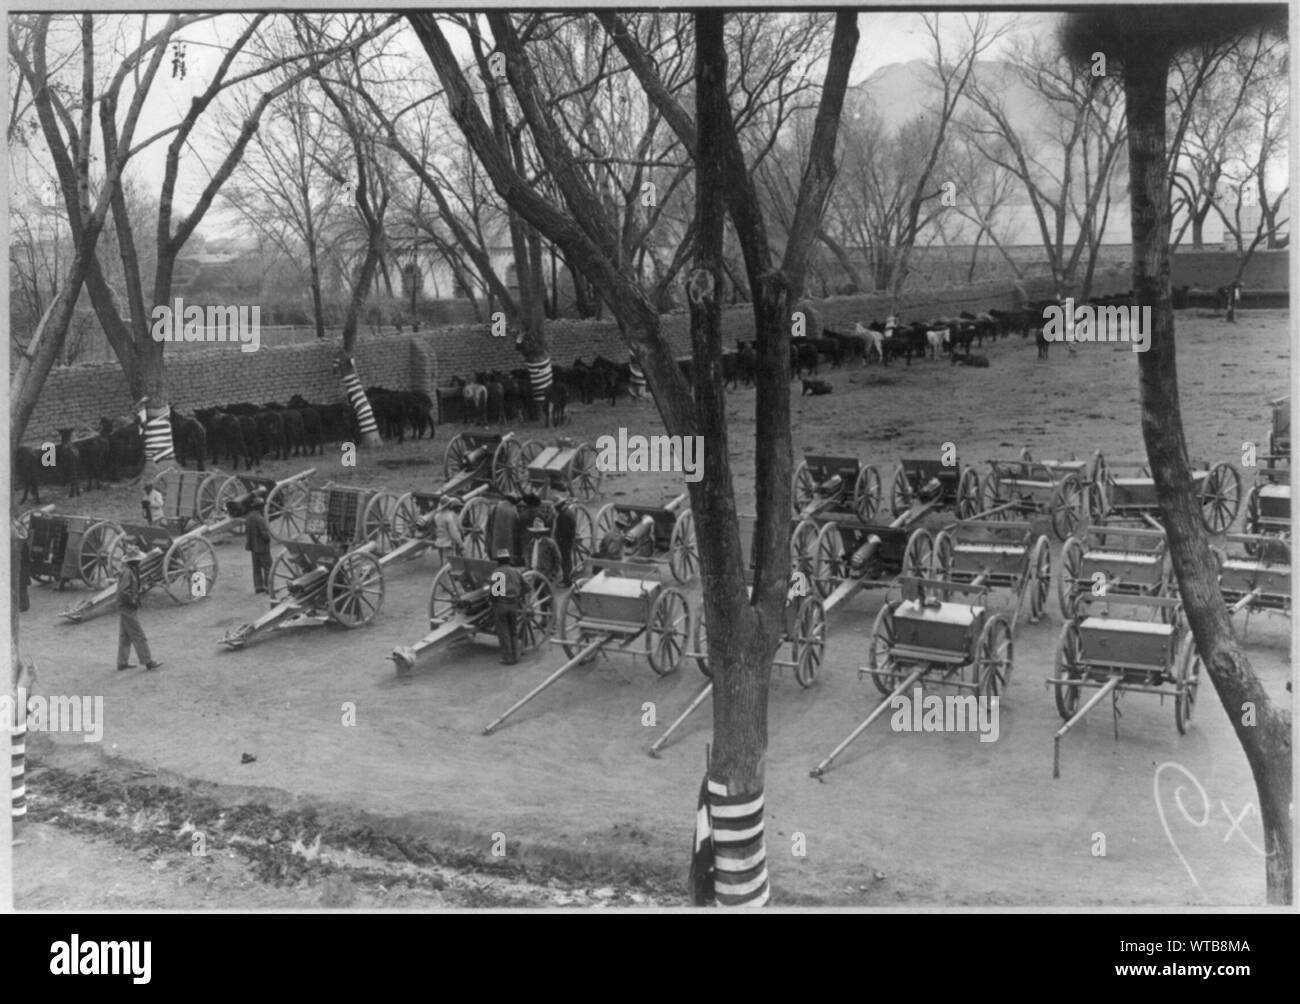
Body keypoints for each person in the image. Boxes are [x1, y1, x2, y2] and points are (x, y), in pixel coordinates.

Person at [117, 546, 162, 671]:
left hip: (125, 606)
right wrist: (133, 600)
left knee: (125, 636)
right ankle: (148, 661)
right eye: (138, 560)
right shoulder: (127, 572)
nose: (140, 561)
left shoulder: (131, 570)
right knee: (139, 635)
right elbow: (123, 592)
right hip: (127, 607)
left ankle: (122, 662)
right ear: (133, 561)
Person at [489, 548, 525, 666]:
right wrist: (519, 595)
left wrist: (491, 603)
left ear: (498, 561)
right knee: (513, 631)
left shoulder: (496, 573)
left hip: (501, 605)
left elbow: (494, 593)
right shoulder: (516, 572)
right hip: (513, 605)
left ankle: (507, 658)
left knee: (503, 632)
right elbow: (527, 587)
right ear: (508, 560)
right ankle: (516, 656)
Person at [245, 492, 272, 594]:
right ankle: (268, 588)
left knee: (256, 569)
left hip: (253, 548)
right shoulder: (260, 519)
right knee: (268, 568)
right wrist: (268, 540)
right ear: (260, 507)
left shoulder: (249, 518)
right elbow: (265, 534)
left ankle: (258, 587)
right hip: (262, 548)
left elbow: (247, 532)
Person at [488, 494, 519, 566]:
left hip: (496, 537)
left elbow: (490, 524)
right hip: (508, 538)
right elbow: (516, 525)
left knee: (496, 553)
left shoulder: (496, 507)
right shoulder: (513, 510)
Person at [554, 498, 578, 587]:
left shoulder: (564, 516)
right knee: (566, 560)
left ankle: (567, 581)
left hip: (565, 542)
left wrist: (559, 540)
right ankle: (567, 578)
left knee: (565, 561)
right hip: (567, 541)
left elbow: (565, 531)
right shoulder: (568, 512)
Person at [433, 496, 464, 562]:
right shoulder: (449, 517)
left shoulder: (437, 516)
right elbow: (454, 532)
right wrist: (461, 544)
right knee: (450, 562)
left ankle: (444, 571)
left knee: (443, 561)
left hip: (439, 542)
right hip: (448, 543)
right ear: (449, 505)